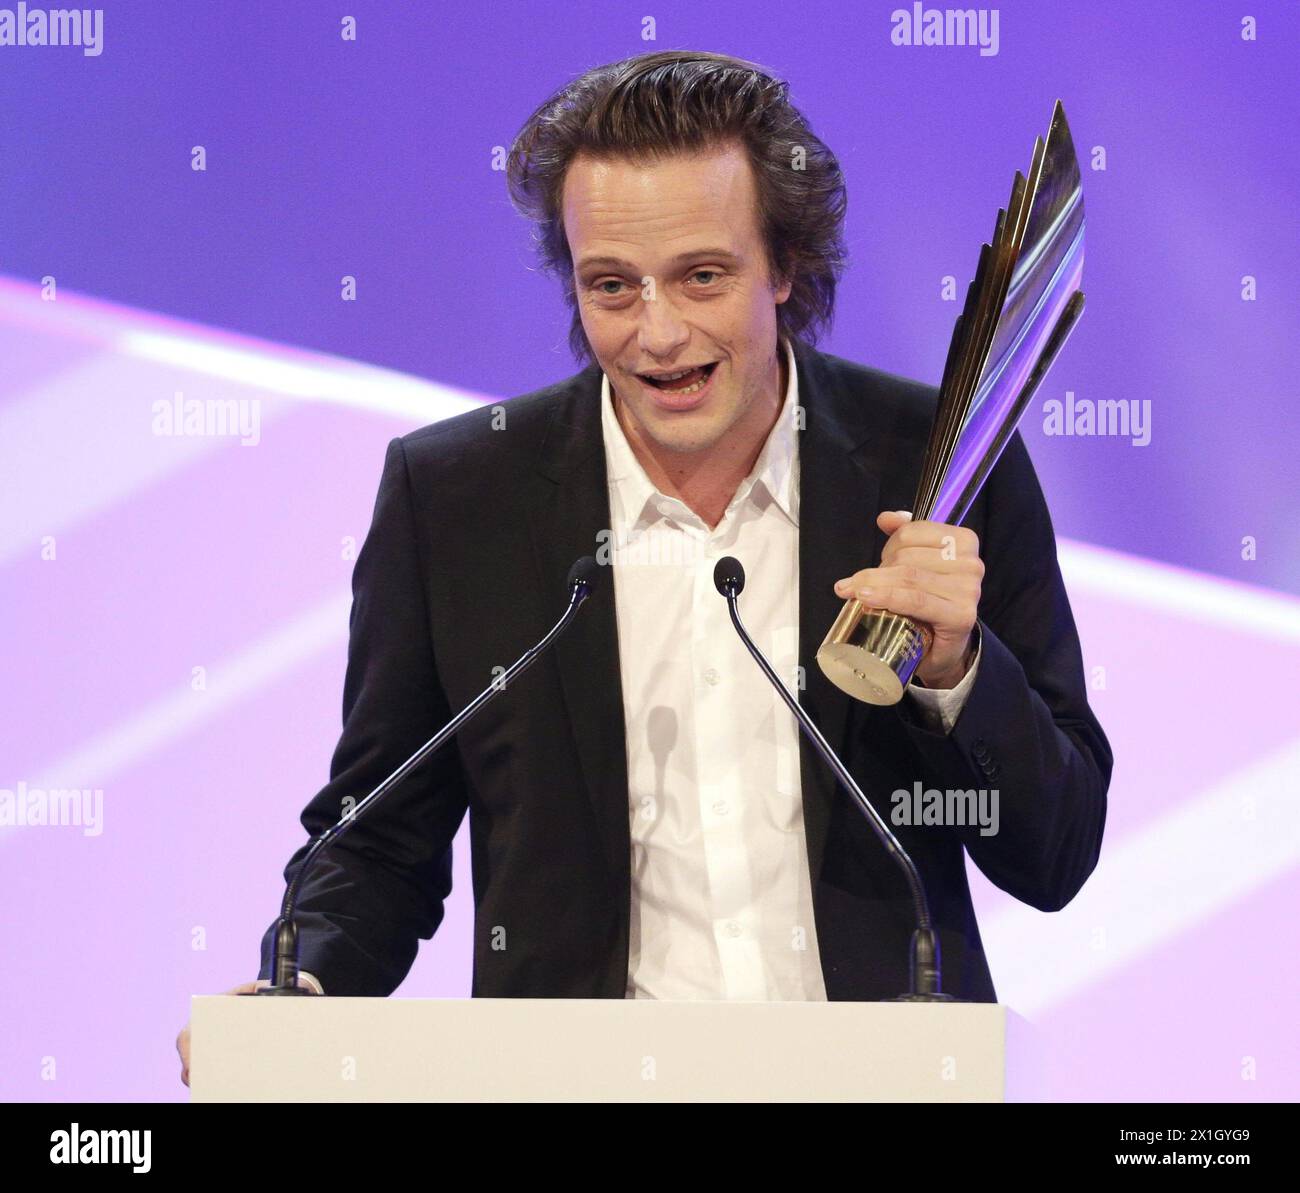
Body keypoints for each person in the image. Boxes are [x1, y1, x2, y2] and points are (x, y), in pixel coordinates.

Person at [177, 49, 1109, 1085]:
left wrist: (956, 673)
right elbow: (379, 837)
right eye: (610, 286)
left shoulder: (938, 464)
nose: (657, 333)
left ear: (785, 265)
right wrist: (302, 988)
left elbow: (1055, 852)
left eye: (702, 276)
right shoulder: (455, 498)